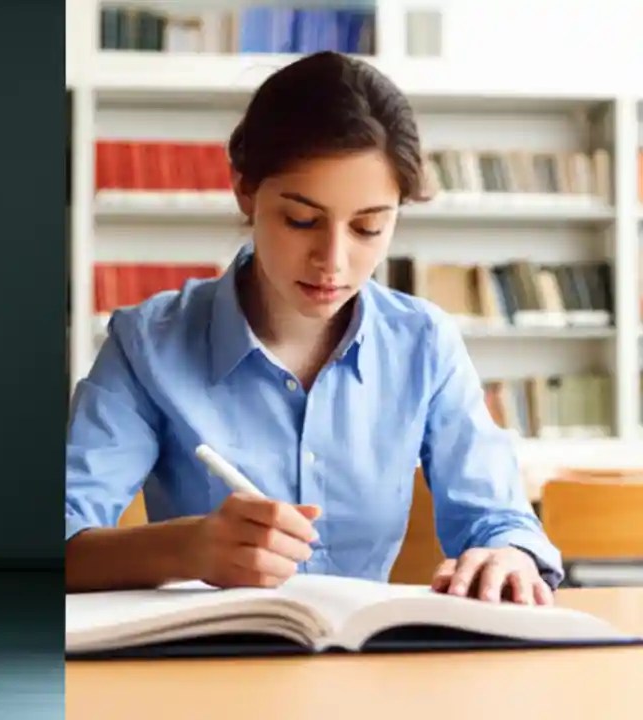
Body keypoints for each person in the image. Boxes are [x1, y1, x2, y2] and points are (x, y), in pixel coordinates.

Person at [64, 52, 563, 605]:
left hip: (364, 665)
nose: (334, 260)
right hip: (200, 668)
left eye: (369, 228)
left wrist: (508, 555)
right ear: (245, 191)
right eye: (301, 220)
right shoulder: (148, 344)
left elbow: (500, 521)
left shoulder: (424, 343)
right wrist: (188, 550)